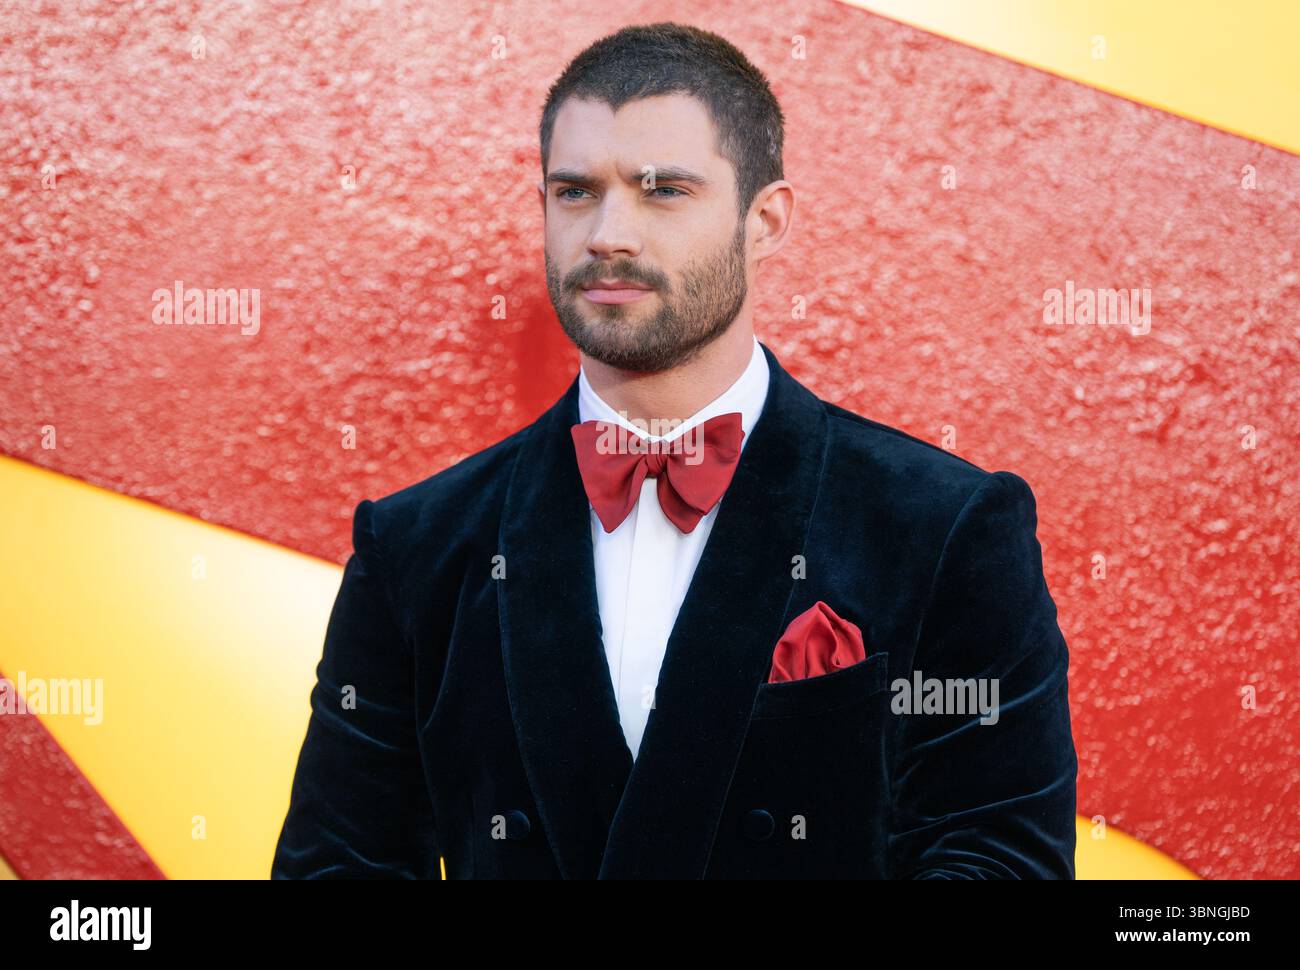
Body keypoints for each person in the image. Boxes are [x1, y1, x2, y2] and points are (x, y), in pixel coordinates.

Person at [271, 21, 1077, 880]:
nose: (609, 233)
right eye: (575, 192)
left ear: (764, 222)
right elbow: (337, 868)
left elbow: (1001, 860)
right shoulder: (414, 548)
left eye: (663, 191)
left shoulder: (945, 527)